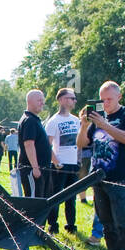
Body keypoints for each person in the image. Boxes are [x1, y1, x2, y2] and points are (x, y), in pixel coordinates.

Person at [76, 81, 125, 250]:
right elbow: (82, 143)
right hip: (99, 177)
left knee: (123, 222)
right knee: (106, 222)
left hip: (121, 177)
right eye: (102, 99)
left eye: (109, 99)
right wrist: (84, 125)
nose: (105, 103)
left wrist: (104, 125)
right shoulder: (98, 118)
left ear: (119, 97)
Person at [45, 88, 81, 233]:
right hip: (60, 165)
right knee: (56, 196)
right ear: (61, 100)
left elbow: (79, 142)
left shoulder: (76, 120)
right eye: (70, 98)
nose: (74, 101)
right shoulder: (54, 121)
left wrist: (78, 159)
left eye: (74, 98)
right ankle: (53, 225)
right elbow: (47, 145)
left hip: (73, 164)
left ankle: (71, 225)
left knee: (71, 197)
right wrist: (56, 161)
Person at [17, 89, 54, 198]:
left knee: (44, 200)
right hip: (33, 171)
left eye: (43, 100)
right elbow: (29, 144)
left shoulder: (34, 119)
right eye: (39, 100)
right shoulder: (29, 120)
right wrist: (35, 167)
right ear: (30, 101)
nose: (42, 103)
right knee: (35, 203)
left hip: (42, 169)